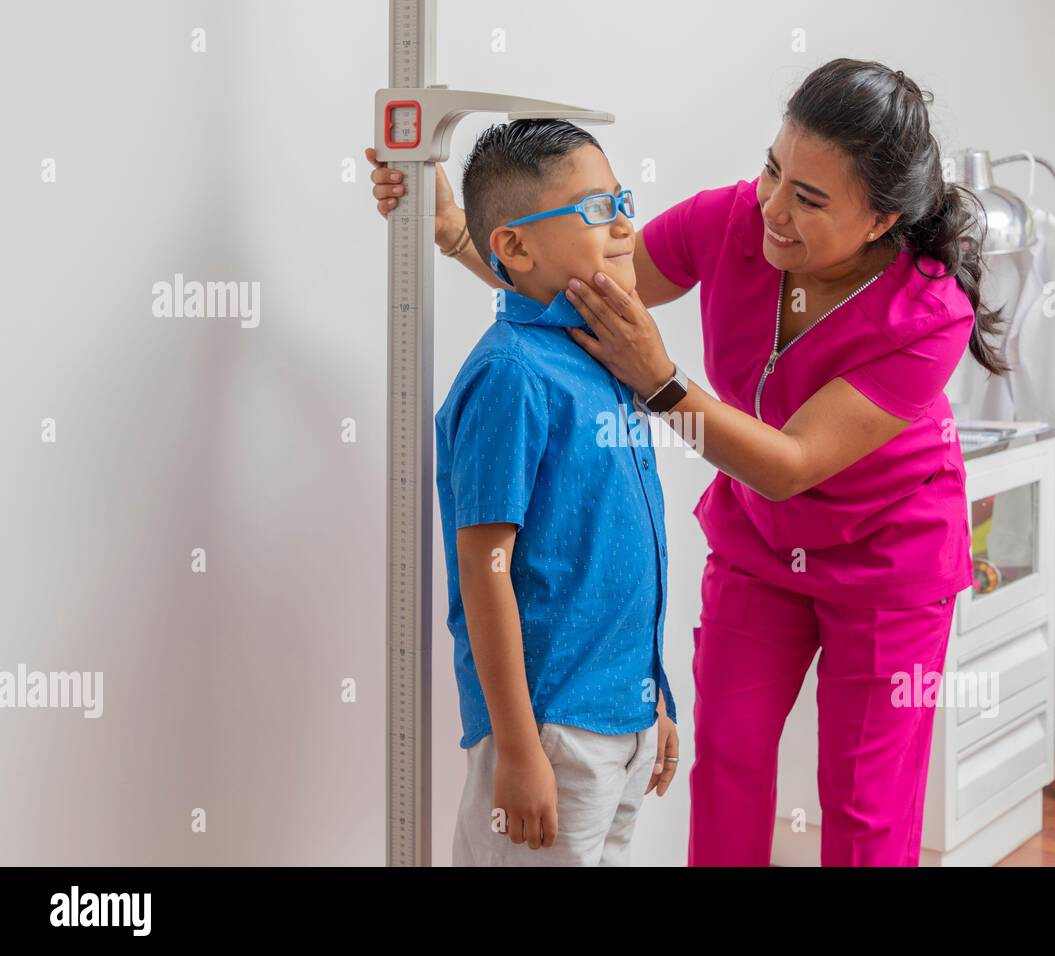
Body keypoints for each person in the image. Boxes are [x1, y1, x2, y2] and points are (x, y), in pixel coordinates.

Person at [371, 58, 1006, 867]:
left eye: (809, 199)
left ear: (881, 220)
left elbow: (791, 463)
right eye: (773, 170)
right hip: (761, 545)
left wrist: (661, 381)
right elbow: (576, 288)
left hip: (890, 558)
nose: (772, 208)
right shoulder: (731, 222)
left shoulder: (926, 311)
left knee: (866, 807)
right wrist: (455, 228)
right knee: (730, 768)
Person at [431, 119, 678, 866]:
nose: (626, 224)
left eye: (622, 200)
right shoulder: (512, 374)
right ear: (513, 246)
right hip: (550, 729)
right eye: (598, 208)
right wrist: (516, 748)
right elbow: (485, 569)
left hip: (621, 717)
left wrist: (654, 697)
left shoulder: (604, 353)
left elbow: (622, 553)